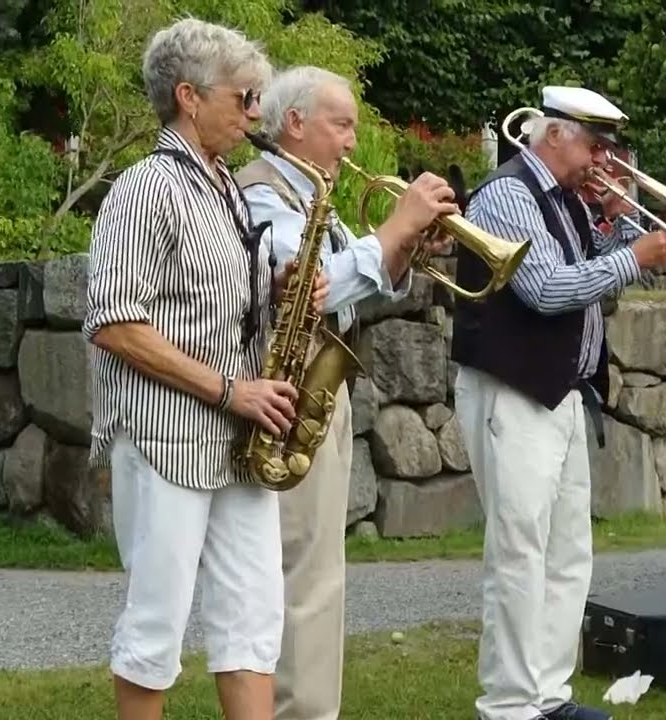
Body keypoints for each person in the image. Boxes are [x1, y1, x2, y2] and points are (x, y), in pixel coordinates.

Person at [83, 18, 326, 720]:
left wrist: (279, 293)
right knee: (155, 624)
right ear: (189, 97)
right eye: (245, 97)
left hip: (236, 440)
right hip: (166, 437)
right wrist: (230, 390)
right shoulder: (144, 188)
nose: (256, 113)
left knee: (252, 622)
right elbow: (115, 322)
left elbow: (213, 302)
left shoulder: (219, 184)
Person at [237, 65, 459, 720]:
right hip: (284, 391)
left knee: (321, 574)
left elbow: (363, 284)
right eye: (343, 124)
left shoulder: (314, 193)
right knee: (300, 575)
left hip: (314, 389)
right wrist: (392, 229)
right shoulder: (262, 192)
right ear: (295, 124)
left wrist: (403, 246)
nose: (353, 144)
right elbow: (308, 285)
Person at [451, 86, 666, 720]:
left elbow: (597, 273)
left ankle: (547, 693)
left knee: (569, 550)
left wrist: (622, 220)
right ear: (553, 136)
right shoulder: (509, 195)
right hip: (513, 388)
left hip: (562, 394)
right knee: (520, 551)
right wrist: (633, 256)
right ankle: (509, 703)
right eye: (594, 145)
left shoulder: (566, 202)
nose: (602, 159)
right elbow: (549, 290)